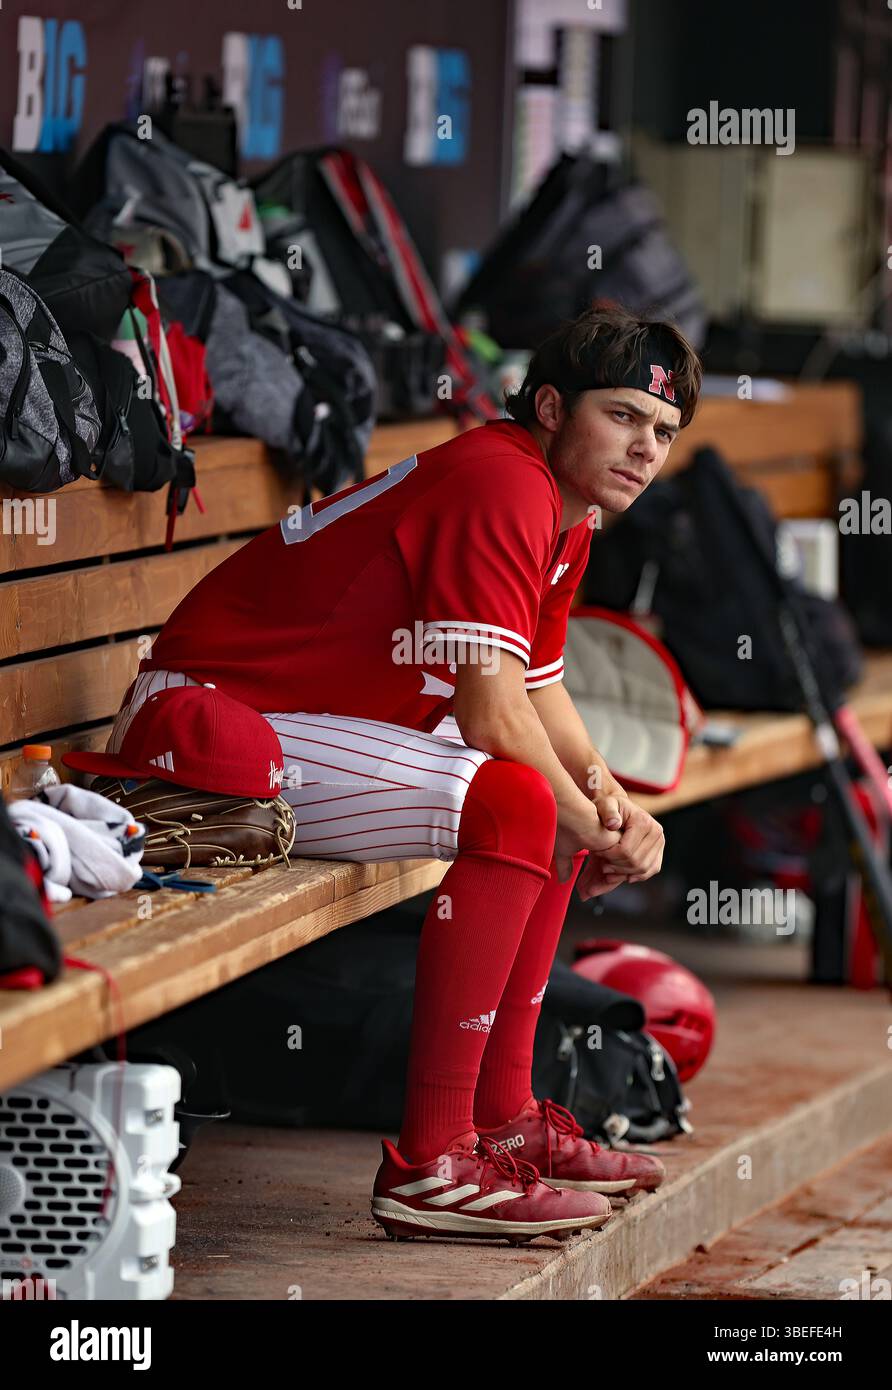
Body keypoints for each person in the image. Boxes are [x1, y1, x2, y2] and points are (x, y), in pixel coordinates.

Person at [91, 301, 702, 1244]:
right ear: (550, 405)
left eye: (662, 430)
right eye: (622, 415)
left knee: (550, 797)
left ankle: (501, 1119)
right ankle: (433, 1164)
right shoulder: (505, 483)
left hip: (299, 722)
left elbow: (538, 690)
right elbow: (489, 714)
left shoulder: (563, 511)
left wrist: (605, 794)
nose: (645, 448)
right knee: (517, 800)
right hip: (212, 721)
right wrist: (584, 818)